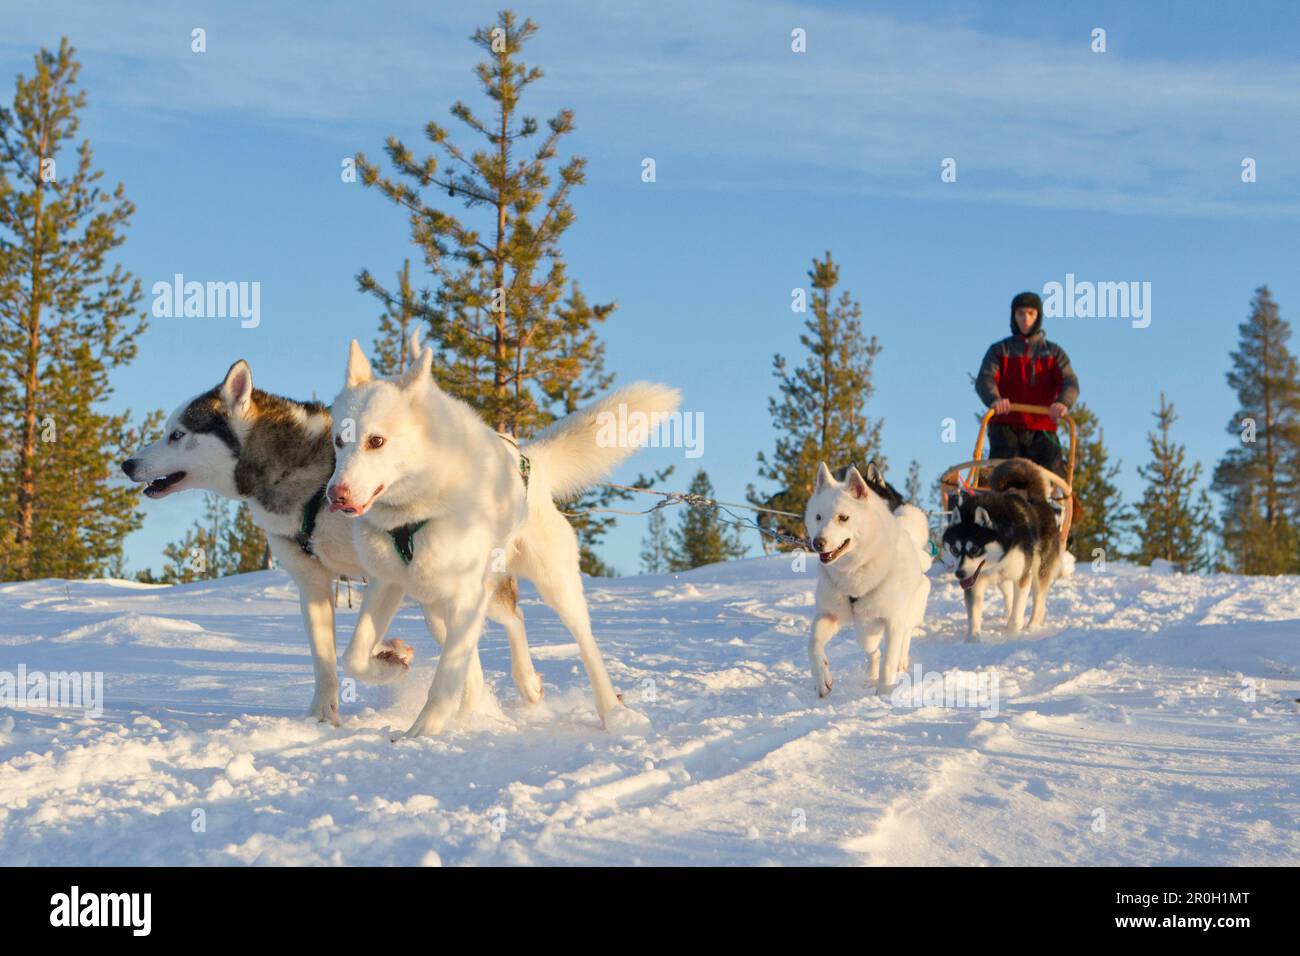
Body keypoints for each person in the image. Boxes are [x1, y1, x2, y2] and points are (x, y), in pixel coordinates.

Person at [975, 291, 1079, 478]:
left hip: (1043, 429)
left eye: (1031, 314)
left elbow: (1070, 382)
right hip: (1006, 426)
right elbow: (985, 378)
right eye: (1021, 314)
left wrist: (1063, 402)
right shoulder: (1000, 350)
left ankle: (1054, 505)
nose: (1026, 319)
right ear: (1014, 316)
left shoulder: (1053, 353)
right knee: (1005, 475)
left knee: (1050, 476)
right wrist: (995, 399)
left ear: (1038, 316)